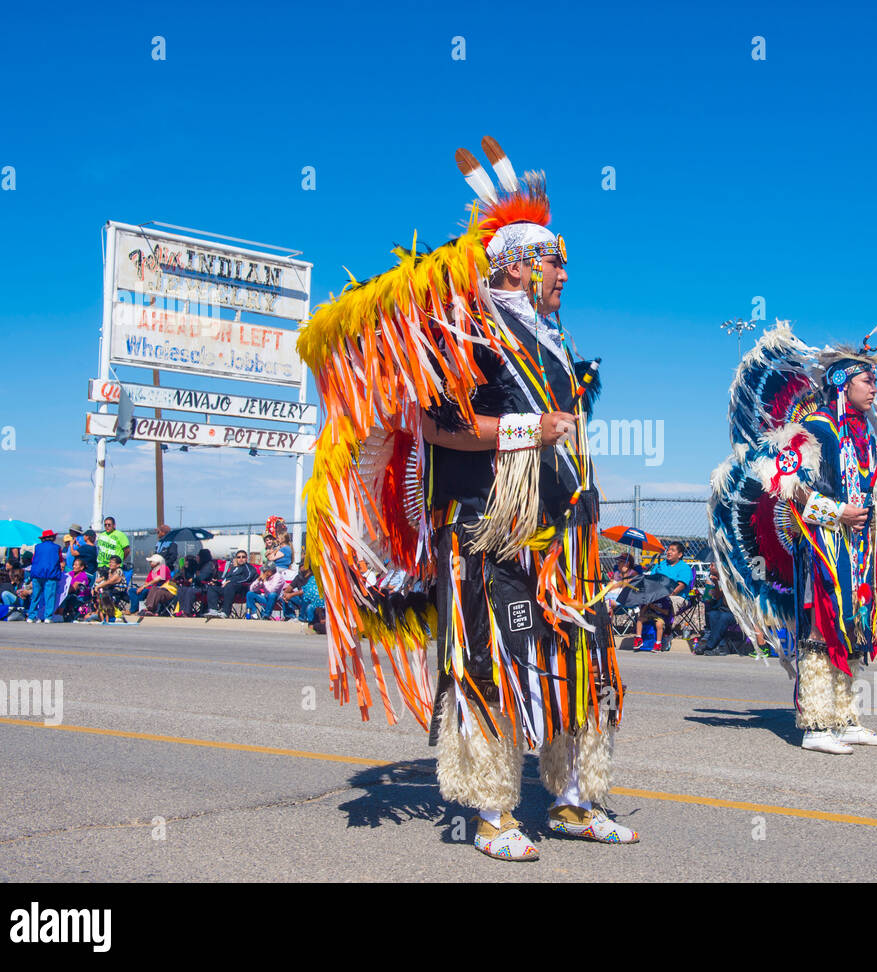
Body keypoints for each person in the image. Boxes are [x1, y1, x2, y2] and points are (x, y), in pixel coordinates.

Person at [299, 137, 635, 862]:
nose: (564, 273)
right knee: (495, 660)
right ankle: (493, 814)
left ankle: (576, 800)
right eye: (554, 260)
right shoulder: (469, 334)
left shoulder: (553, 344)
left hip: (562, 536)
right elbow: (431, 422)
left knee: (579, 657)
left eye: (562, 261)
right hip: (489, 530)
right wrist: (526, 428)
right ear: (515, 264)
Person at [710, 298, 877, 756]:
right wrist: (837, 514)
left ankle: (844, 718)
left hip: (857, 549)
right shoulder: (818, 427)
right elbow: (789, 484)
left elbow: (860, 486)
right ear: (844, 382)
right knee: (818, 630)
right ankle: (815, 725)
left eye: (876, 379)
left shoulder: (860, 437)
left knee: (850, 627)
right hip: (821, 545)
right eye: (869, 379)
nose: (875, 387)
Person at [696, 565, 739, 656]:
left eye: (713, 565)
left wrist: (722, 583)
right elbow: (716, 597)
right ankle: (720, 646)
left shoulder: (732, 579)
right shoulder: (715, 579)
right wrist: (715, 582)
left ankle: (709, 645)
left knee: (723, 617)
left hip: (736, 612)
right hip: (723, 609)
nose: (710, 567)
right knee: (712, 615)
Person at [204, 550, 256, 619]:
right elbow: (225, 580)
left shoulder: (248, 567)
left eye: (243, 557)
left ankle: (225, 612)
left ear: (246, 558)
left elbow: (248, 578)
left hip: (241, 589)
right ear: (236, 559)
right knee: (212, 587)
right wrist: (217, 582)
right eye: (238, 557)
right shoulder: (233, 568)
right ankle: (213, 610)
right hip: (228, 588)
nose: (241, 559)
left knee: (230, 586)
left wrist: (231, 581)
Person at [27, 528, 63, 623]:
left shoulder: (37, 547)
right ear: (53, 537)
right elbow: (60, 560)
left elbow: (33, 559)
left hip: (37, 573)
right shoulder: (57, 547)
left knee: (35, 596)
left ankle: (31, 616)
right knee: (49, 596)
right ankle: (48, 617)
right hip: (51, 574)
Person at [177, 549, 217, 617]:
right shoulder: (199, 565)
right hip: (196, 586)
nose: (197, 557)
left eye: (198, 555)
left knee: (190, 590)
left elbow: (202, 577)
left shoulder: (209, 565)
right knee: (182, 589)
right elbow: (190, 576)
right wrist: (186, 568)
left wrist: (194, 579)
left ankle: (187, 611)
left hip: (205, 587)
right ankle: (181, 610)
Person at [92, 556, 126, 622]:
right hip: (109, 590)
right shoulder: (109, 571)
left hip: (118, 592)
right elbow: (102, 579)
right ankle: (97, 611)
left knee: (105, 595)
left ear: (118, 565)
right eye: (110, 562)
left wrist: (98, 586)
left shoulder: (119, 571)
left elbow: (110, 581)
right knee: (97, 592)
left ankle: (108, 614)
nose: (110, 564)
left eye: (112, 562)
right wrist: (97, 583)